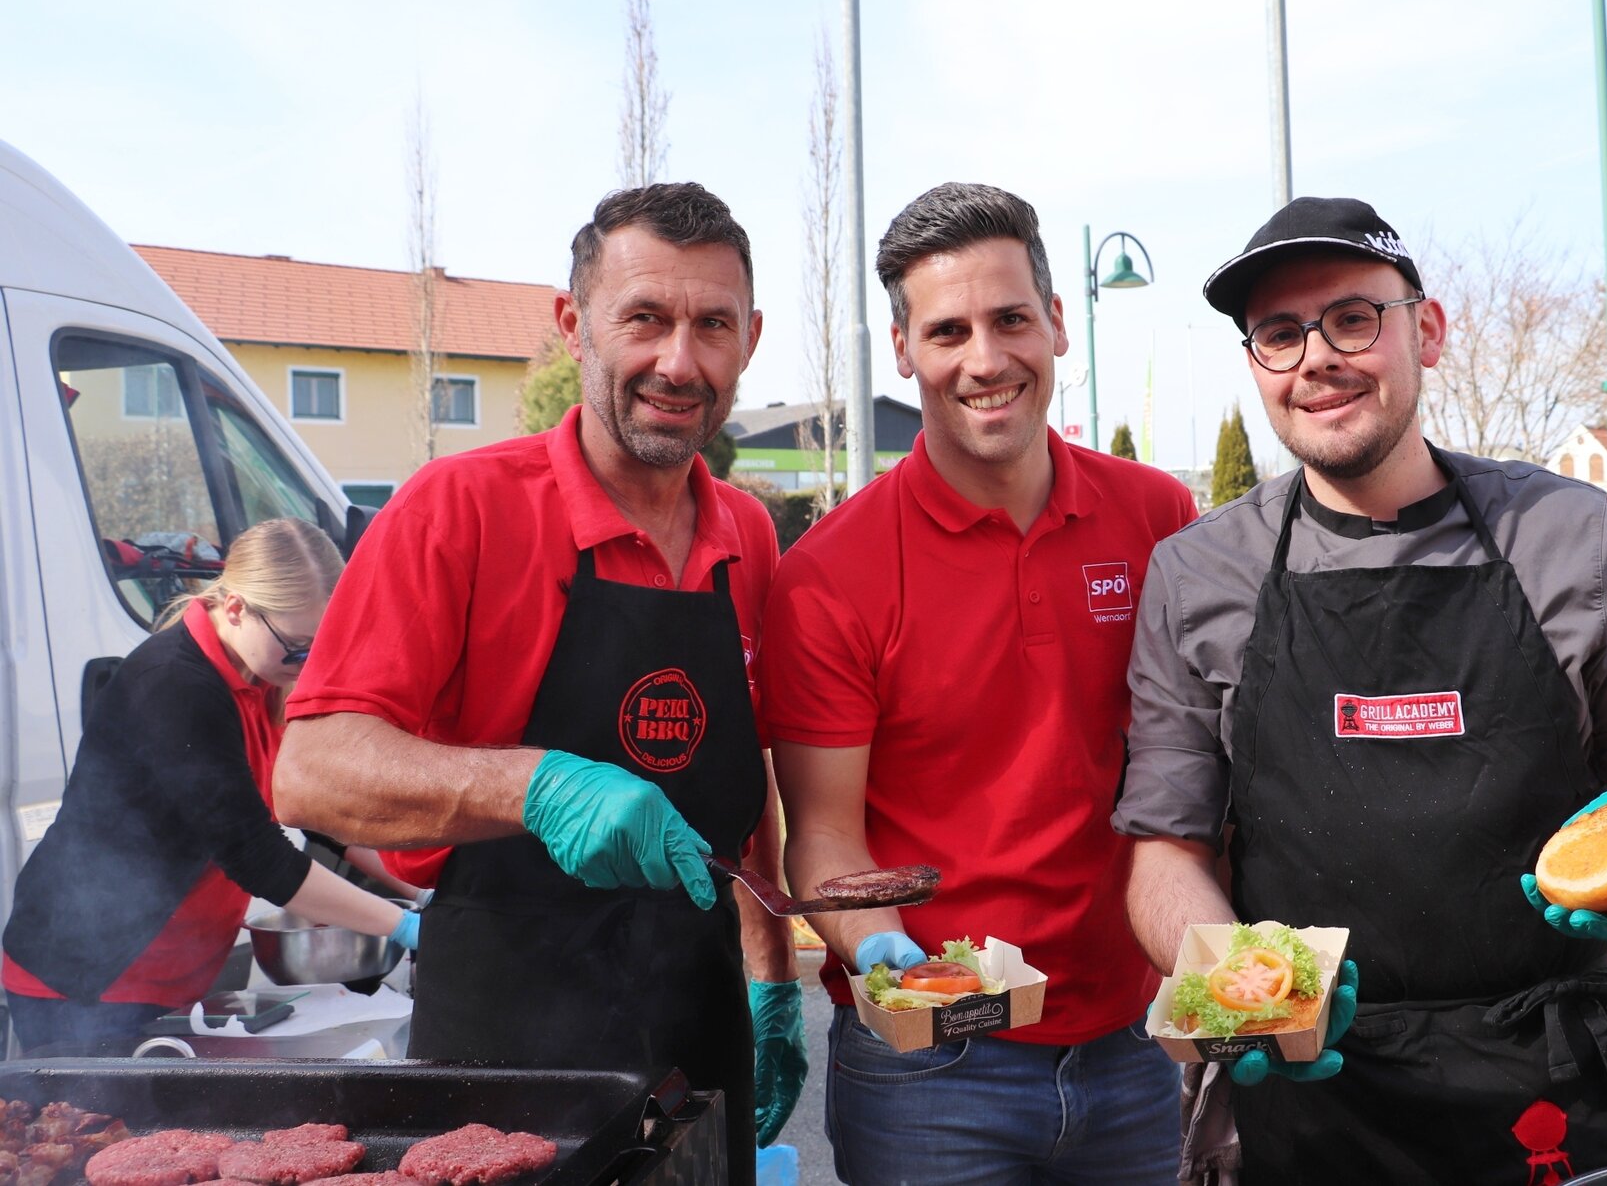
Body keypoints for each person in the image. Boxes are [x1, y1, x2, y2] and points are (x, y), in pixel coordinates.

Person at [1112, 196, 1607, 1184]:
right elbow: (1161, 854)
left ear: (1425, 330)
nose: (1315, 357)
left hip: (1547, 1085)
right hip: (1305, 1098)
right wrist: (1249, 998)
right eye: (1279, 334)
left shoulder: (1569, 534)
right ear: (1256, 366)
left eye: (1351, 318)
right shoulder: (1198, 575)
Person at [270, 183, 802, 1180]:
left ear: (750, 338)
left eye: (712, 325)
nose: (677, 362)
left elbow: (749, 780)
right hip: (502, 1060)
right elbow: (309, 770)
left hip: (699, 1033)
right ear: (573, 326)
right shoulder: (457, 510)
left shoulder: (748, 535)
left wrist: (771, 974)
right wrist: (536, 786)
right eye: (643, 318)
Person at [763, 182, 1198, 1186]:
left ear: (1055, 323)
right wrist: (883, 953)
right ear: (905, 350)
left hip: (1135, 1042)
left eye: (1009, 320)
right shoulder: (831, 575)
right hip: (933, 1068)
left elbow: (1195, 764)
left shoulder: (1155, 515)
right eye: (948, 330)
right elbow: (825, 834)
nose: (985, 359)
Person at [3, 518, 419, 1056]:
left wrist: (418, 888)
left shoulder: (264, 679)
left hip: (180, 977)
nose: (310, 664)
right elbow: (255, 855)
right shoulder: (172, 685)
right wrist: (404, 928)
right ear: (238, 607)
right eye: (296, 646)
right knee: (101, 1136)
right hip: (86, 981)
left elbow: (317, 805)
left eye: (324, 646)